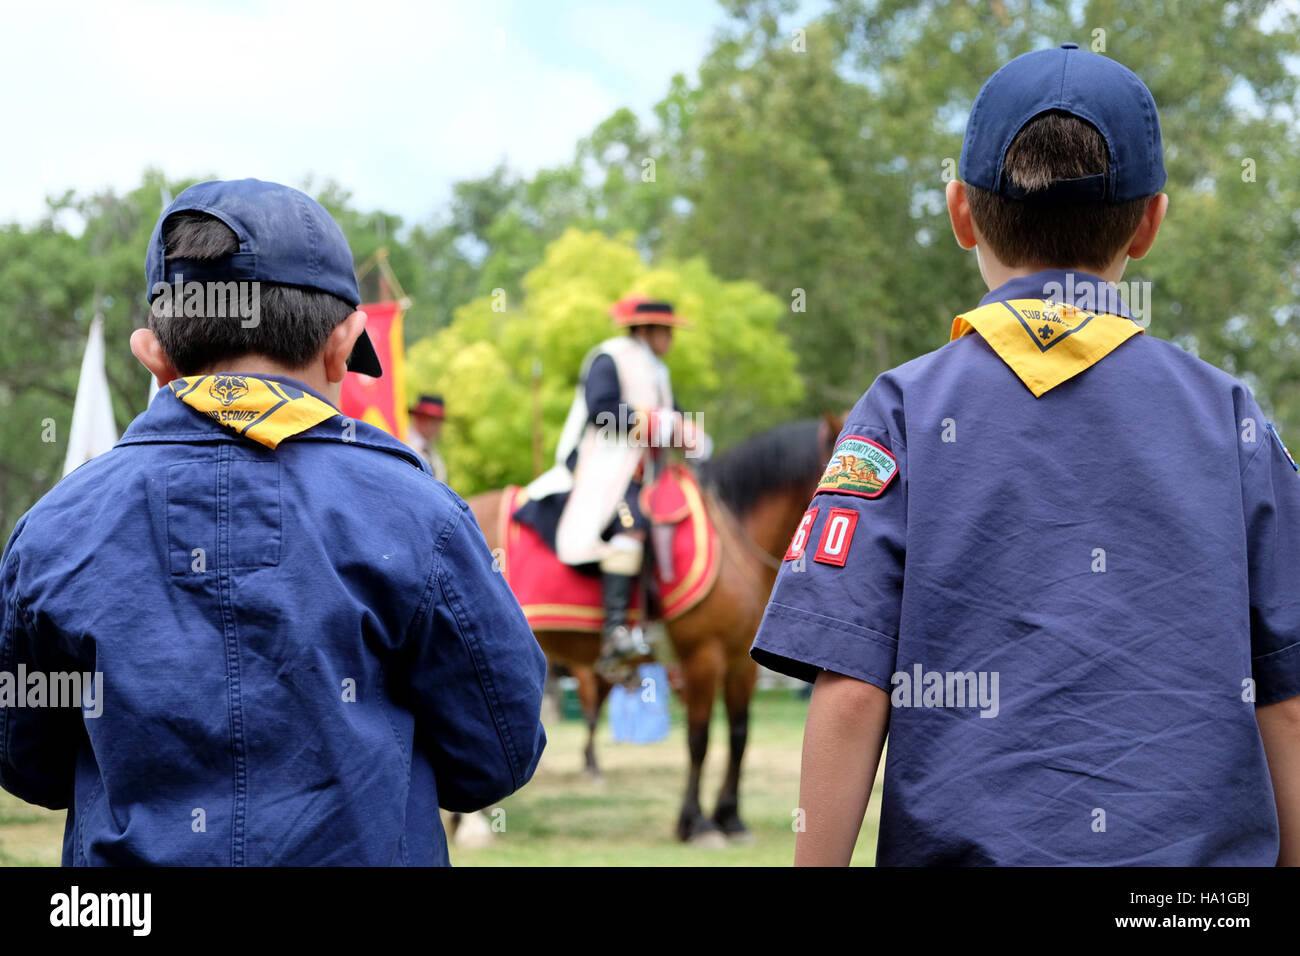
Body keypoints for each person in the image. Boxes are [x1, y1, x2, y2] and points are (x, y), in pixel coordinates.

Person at [751, 44, 1300, 866]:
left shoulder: (901, 412)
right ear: (1150, 221)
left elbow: (852, 687)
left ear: (960, 212)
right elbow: (1287, 702)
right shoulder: (1232, 419)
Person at [0, 178, 547, 865]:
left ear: (154, 357)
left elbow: (30, 765)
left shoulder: (51, 530)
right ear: (344, 344)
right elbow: (498, 755)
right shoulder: (421, 514)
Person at [515, 296, 707, 677]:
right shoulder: (609, 356)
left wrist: (691, 433)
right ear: (645, 329)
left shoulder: (658, 370)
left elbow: (674, 417)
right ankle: (615, 630)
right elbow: (602, 410)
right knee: (630, 521)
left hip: (645, 472)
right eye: (664, 330)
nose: (670, 337)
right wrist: (659, 424)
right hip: (601, 466)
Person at [407, 393, 449, 484]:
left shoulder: (434, 454)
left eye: (439, 422)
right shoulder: (403, 443)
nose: (437, 427)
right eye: (434, 421)